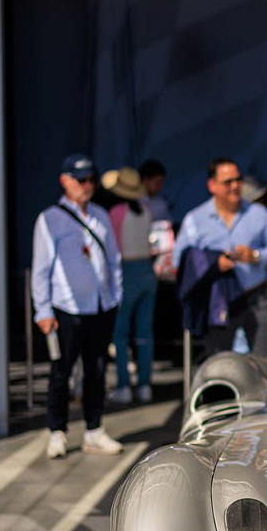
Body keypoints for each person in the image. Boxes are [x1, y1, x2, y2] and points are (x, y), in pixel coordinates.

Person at [31, 153, 123, 458]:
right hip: (66, 308)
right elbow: (41, 268)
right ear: (65, 180)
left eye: (91, 179)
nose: (87, 185)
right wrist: (43, 310)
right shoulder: (50, 218)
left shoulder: (101, 215)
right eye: (81, 180)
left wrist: (115, 297)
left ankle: (94, 430)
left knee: (96, 371)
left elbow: (113, 259)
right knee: (62, 372)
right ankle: (57, 431)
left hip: (100, 306)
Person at [173, 157, 267, 372]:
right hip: (219, 301)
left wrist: (255, 255)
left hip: (257, 298)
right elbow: (179, 259)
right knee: (219, 367)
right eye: (228, 182)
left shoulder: (258, 213)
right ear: (212, 185)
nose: (235, 186)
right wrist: (213, 263)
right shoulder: (195, 219)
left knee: (262, 366)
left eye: (238, 180)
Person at [103, 167, 158, 405]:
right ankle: (144, 384)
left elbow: (112, 249)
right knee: (144, 332)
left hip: (126, 270)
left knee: (120, 333)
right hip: (146, 270)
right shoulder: (145, 210)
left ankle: (124, 384)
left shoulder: (117, 212)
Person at [138, 158, 170, 223]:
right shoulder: (132, 202)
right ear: (146, 180)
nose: (160, 187)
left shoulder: (160, 204)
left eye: (162, 183)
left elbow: (168, 223)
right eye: (157, 183)